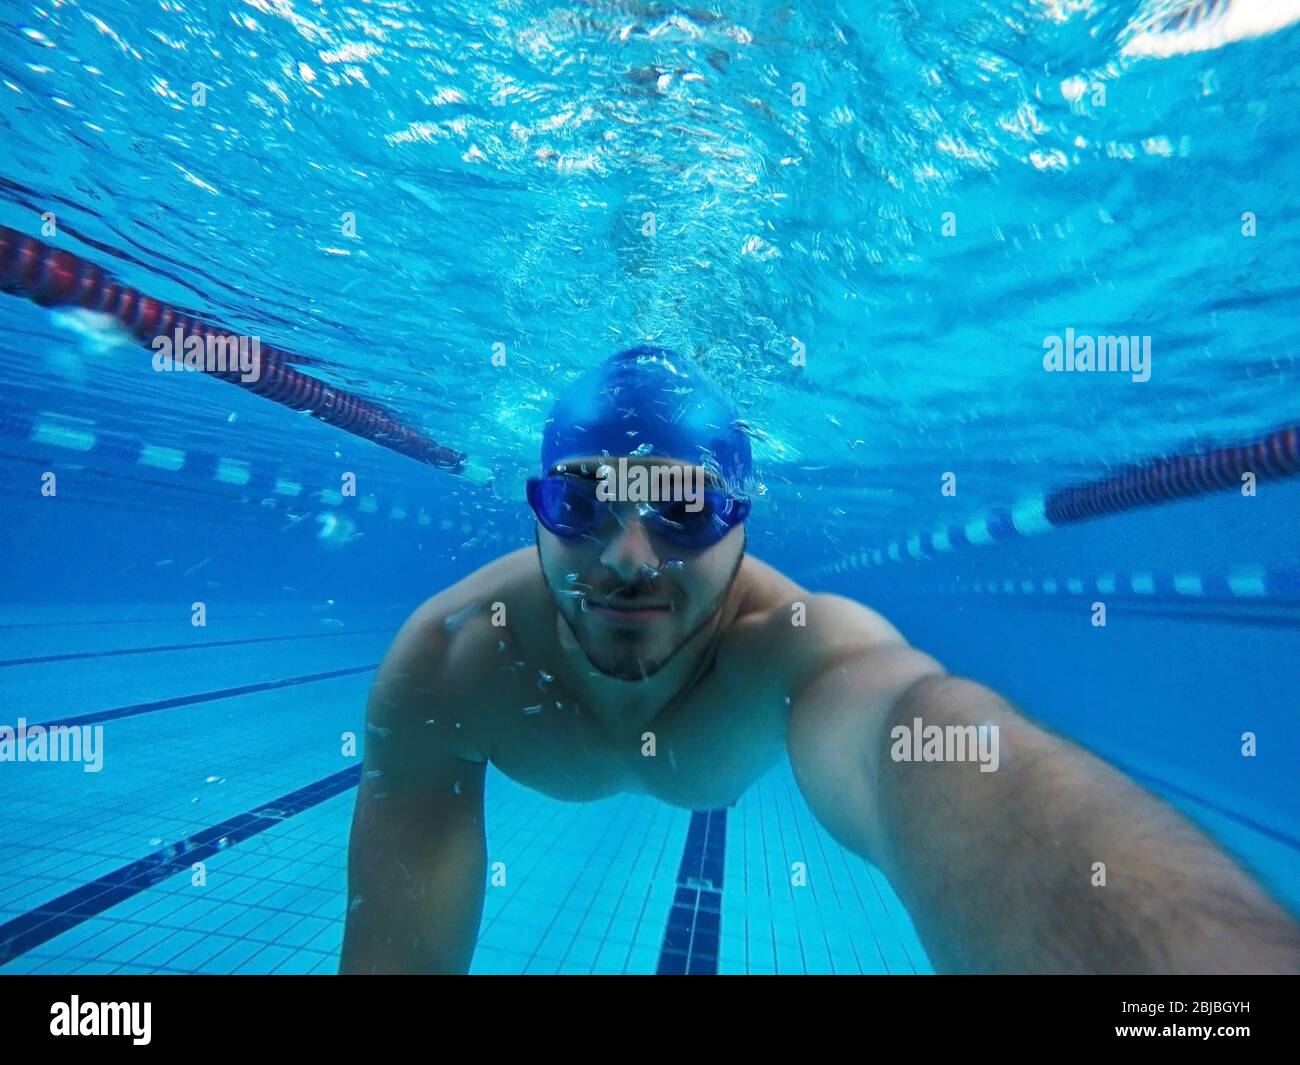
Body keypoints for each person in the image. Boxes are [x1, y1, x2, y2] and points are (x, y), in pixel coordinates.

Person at [339, 345, 1300, 975]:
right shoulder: (451, 663)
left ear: (743, 520)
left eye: (682, 508)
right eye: (585, 505)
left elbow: (923, 740)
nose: (630, 559)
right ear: (536, 509)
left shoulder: (796, 646)